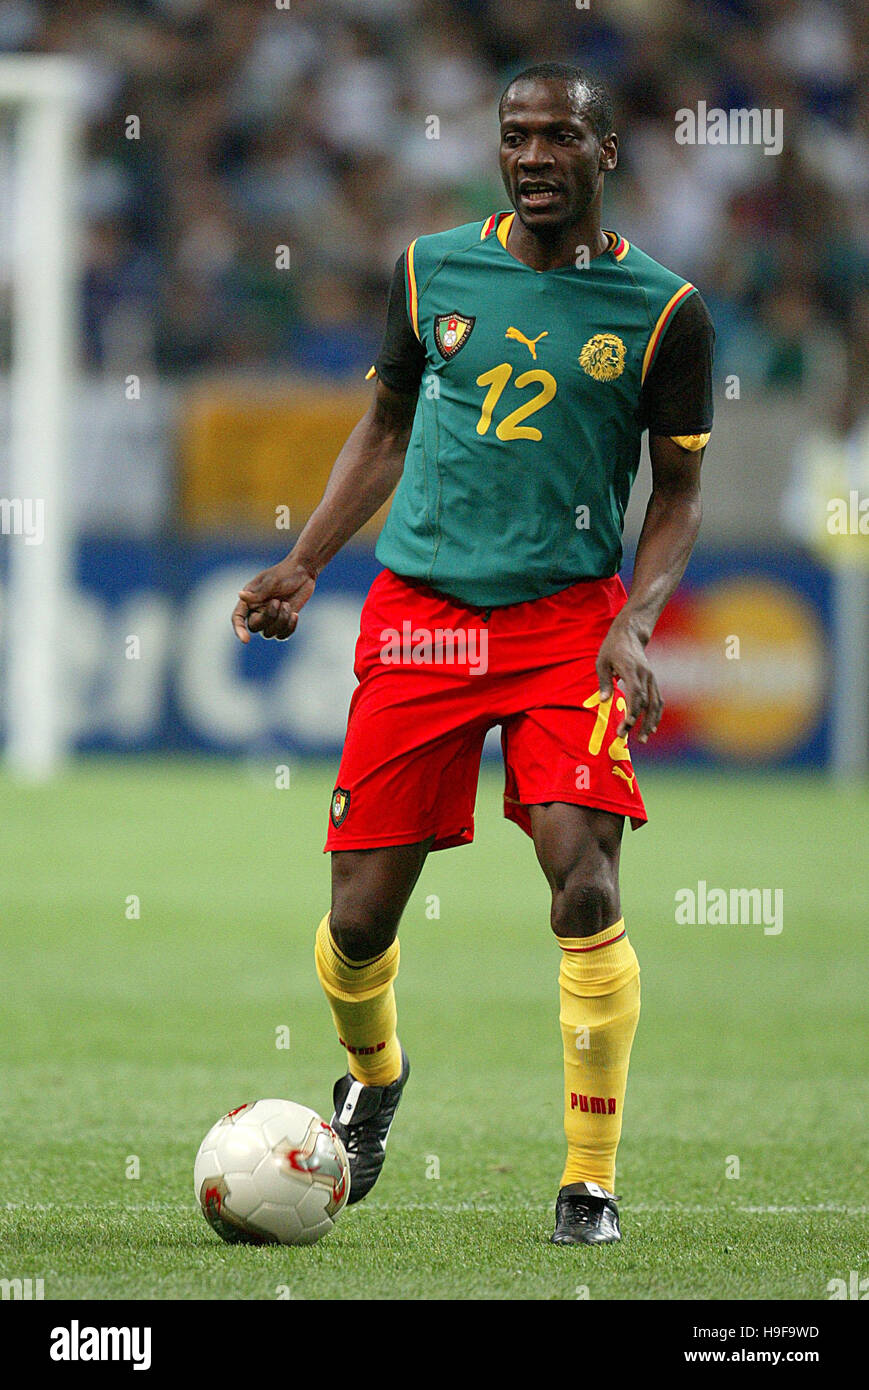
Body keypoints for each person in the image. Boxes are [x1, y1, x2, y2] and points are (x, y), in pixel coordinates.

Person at [232, 62, 714, 1245]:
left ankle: (587, 1180)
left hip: (563, 625)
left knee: (585, 881)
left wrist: (634, 618)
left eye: (558, 137)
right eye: (515, 137)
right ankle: (376, 1074)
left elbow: (678, 492)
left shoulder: (663, 311)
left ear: (606, 152)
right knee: (356, 921)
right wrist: (304, 560)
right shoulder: (429, 267)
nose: (533, 157)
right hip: (422, 613)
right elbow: (386, 426)